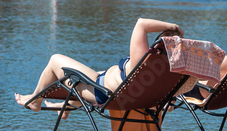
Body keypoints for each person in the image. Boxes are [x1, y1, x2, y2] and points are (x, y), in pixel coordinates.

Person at [14, 18, 185, 113]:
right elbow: (167, 106)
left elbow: (141, 24)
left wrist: (174, 27)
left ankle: (36, 100)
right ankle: (63, 107)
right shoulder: (170, 71)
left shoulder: (143, 61)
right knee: (91, 76)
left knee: (55, 60)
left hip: (103, 94)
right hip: (127, 98)